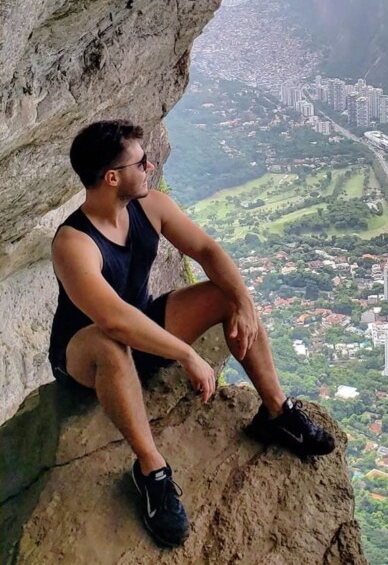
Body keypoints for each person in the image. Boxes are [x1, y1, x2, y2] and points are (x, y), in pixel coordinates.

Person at [49, 120, 334, 547]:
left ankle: (276, 412)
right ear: (112, 177)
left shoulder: (151, 207)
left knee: (226, 296)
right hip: (85, 352)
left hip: (144, 326)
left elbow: (208, 251)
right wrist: (186, 354)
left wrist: (242, 302)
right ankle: (151, 469)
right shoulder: (74, 242)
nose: (149, 166)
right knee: (108, 344)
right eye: (140, 162)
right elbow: (113, 320)